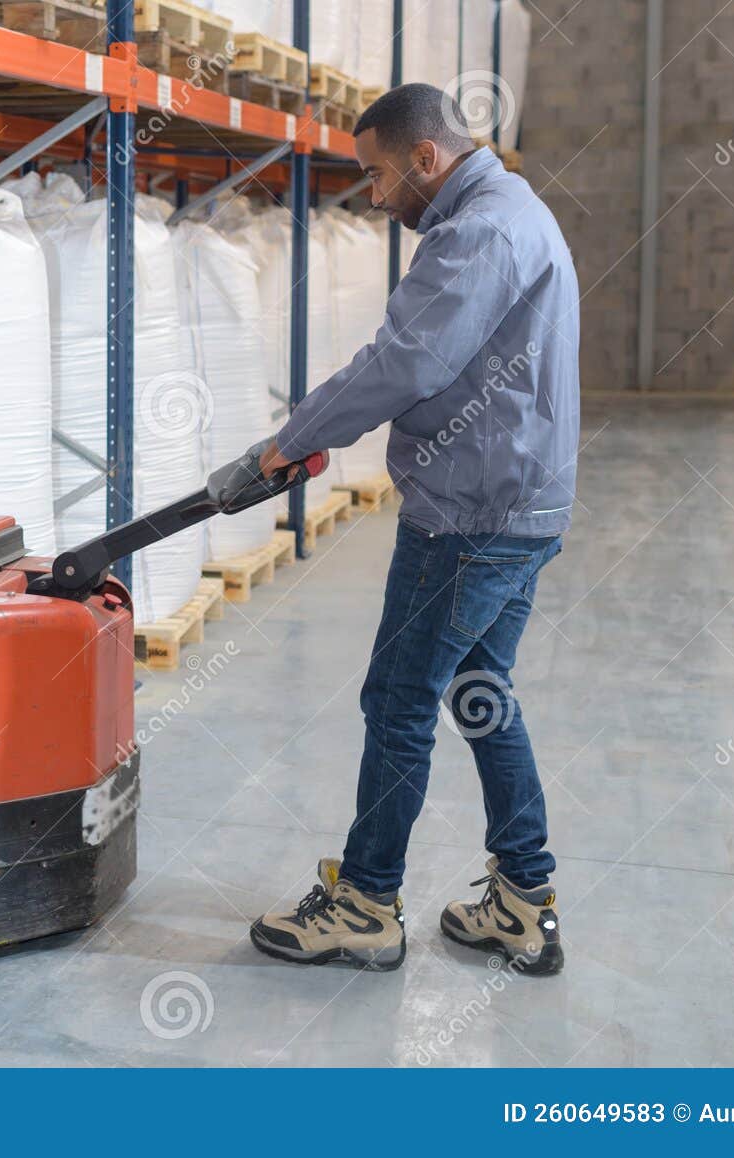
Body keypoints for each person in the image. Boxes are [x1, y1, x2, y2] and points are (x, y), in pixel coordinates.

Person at [248, 83, 580, 975]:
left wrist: (293, 439)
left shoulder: (477, 234)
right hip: (520, 505)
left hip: (472, 517)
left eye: (380, 175)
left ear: (427, 159)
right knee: (481, 690)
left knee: (398, 701)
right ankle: (524, 896)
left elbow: (406, 363)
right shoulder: (511, 210)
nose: (374, 195)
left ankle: (365, 900)